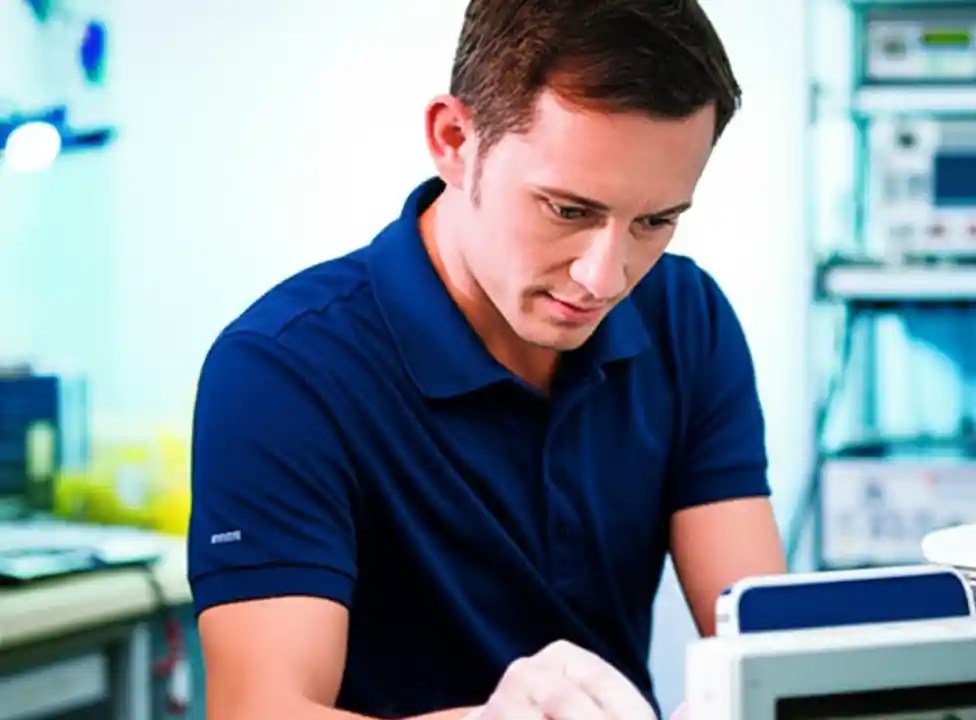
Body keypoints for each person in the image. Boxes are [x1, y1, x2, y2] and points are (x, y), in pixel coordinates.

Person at [187, 1, 786, 718]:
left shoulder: (686, 318)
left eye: (654, 222)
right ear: (453, 139)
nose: (606, 276)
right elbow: (260, 711)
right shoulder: (282, 372)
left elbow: (768, 651)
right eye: (567, 210)